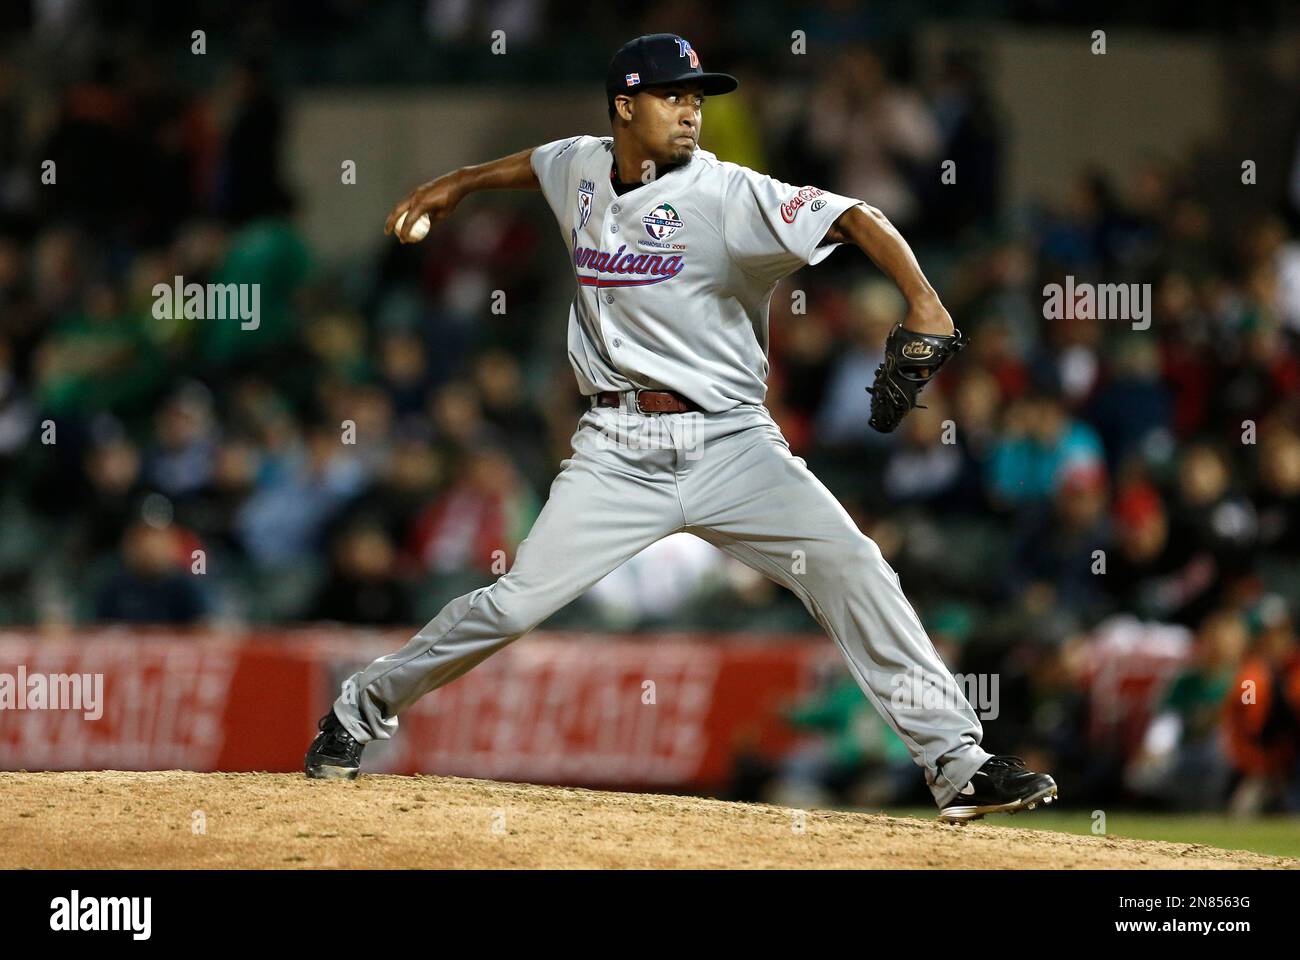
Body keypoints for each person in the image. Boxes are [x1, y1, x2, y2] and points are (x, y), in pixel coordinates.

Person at [305, 33, 1057, 822]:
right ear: (625, 106)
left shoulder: (731, 196)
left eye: (698, 96)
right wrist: (456, 184)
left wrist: (926, 302)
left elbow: (858, 216)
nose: (692, 109)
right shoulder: (582, 167)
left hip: (733, 445)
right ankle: (359, 707)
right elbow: (534, 164)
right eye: (674, 95)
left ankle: (955, 760)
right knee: (513, 606)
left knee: (852, 565)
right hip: (616, 451)